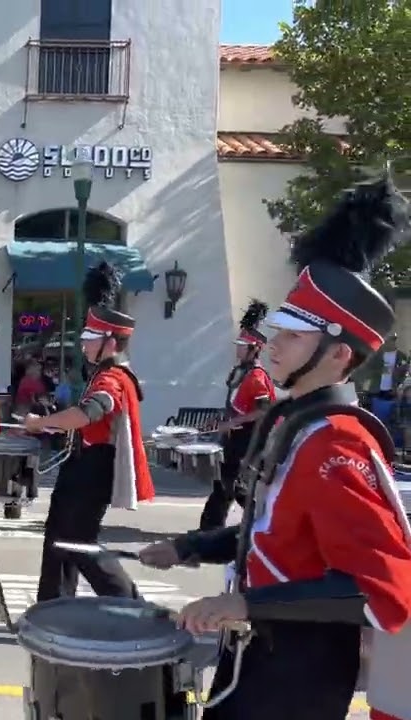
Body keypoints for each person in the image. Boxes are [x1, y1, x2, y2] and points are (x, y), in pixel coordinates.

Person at [137, 176, 411, 720]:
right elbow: (276, 535)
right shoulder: (299, 424)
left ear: (340, 356)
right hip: (261, 656)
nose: (273, 343)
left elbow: (383, 588)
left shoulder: (335, 442)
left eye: (293, 335)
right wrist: (192, 547)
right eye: (278, 331)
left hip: (298, 677)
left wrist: (240, 602)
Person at [23, 262, 153, 602]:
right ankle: (53, 606)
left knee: (79, 544)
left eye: (90, 339)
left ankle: (131, 605)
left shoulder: (113, 378)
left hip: (94, 469)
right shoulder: (104, 372)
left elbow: (86, 414)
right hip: (82, 465)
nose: (83, 345)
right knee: (57, 539)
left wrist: (40, 423)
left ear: (109, 343)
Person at [198, 299, 276, 530]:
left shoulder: (257, 377)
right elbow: (234, 404)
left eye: (243, 345)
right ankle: (209, 529)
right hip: (234, 437)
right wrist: (220, 419)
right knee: (223, 484)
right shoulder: (239, 372)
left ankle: (266, 525)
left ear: (255, 349)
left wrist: (232, 422)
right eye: (239, 343)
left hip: (249, 439)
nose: (238, 348)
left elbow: (263, 411)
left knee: (237, 486)